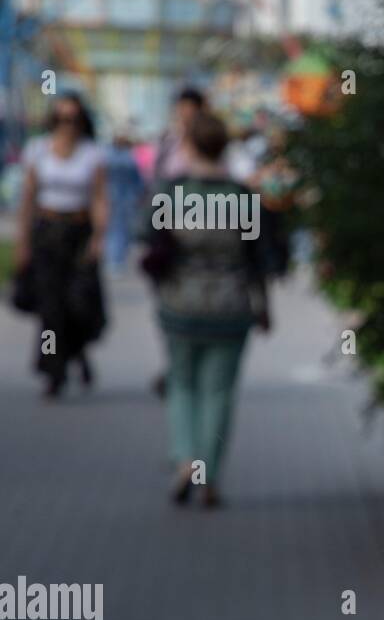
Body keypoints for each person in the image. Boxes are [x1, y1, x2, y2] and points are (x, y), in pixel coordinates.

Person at [147, 110, 270, 508]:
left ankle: (186, 461)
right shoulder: (243, 196)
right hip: (231, 304)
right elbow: (258, 259)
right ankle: (210, 476)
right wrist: (264, 306)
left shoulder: (171, 192)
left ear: (190, 145)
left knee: (182, 385)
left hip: (180, 301)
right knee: (218, 391)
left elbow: (148, 242)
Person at [13, 93, 108, 398]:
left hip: (78, 232)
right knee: (50, 309)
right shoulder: (38, 151)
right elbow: (28, 199)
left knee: (79, 304)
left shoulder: (91, 154)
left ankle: (77, 352)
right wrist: (22, 241)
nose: (68, 125)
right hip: (47, 232)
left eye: (74, 119)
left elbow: (98, 198)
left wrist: (98, 237)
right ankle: (53, 369)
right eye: (62, 119)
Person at [103, 127, 145, 274]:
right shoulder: (128, 158)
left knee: (114, 228)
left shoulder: (107, 156)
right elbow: (138, 180)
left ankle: (114, 258)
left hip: (115, 198)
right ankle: (116, 258)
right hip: (122, 198)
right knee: (120, 229)